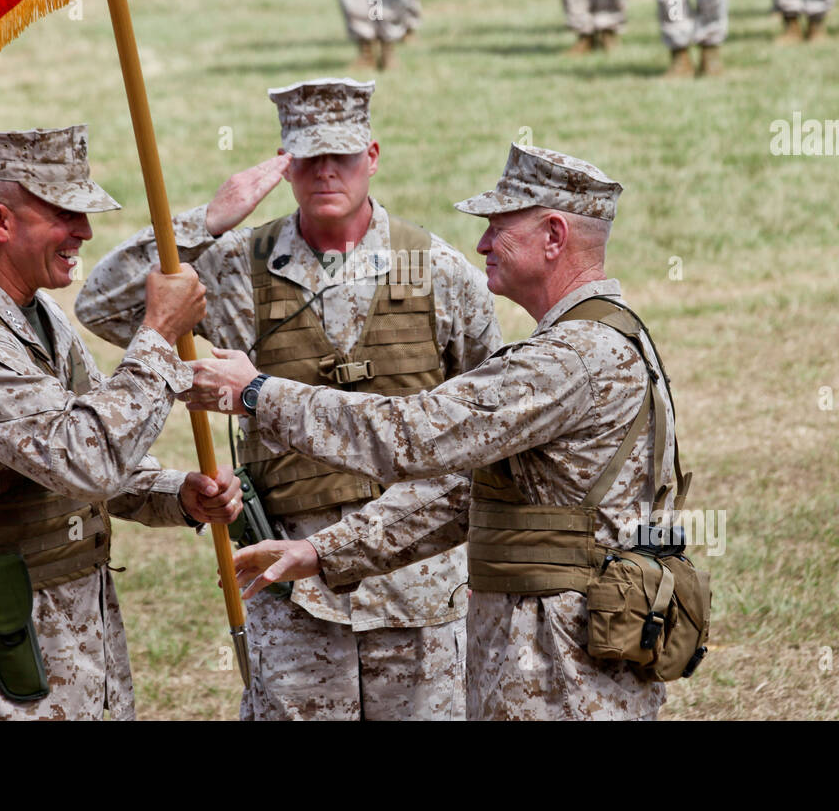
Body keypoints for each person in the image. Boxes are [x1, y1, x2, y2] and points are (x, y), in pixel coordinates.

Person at [186, 144, 689, 721]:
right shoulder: (594, 340)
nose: (480, 245)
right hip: (554, 655)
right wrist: (322, 552)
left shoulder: (570, 358)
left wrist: (256, 393)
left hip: (559, 668)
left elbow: (413, 436)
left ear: (554, 235)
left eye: (499, 228)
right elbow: (467, 491)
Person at [76, 79, 501, 721]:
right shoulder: (235, 268)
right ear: (284, 164)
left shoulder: (441, 273)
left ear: (374, 155)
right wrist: (207, 221)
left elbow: (489, 423)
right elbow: (103, 305)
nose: (327, 172)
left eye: (344, 156)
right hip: (289, 586)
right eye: (308, 159)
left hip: (421, 588)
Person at [0, 125, 241, 720]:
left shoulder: (36, 312)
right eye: (64, 213)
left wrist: (176, 495)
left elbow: (87, 434)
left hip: (72, 640)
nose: (84, 231)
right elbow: (86, 459)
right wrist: (156, 335)